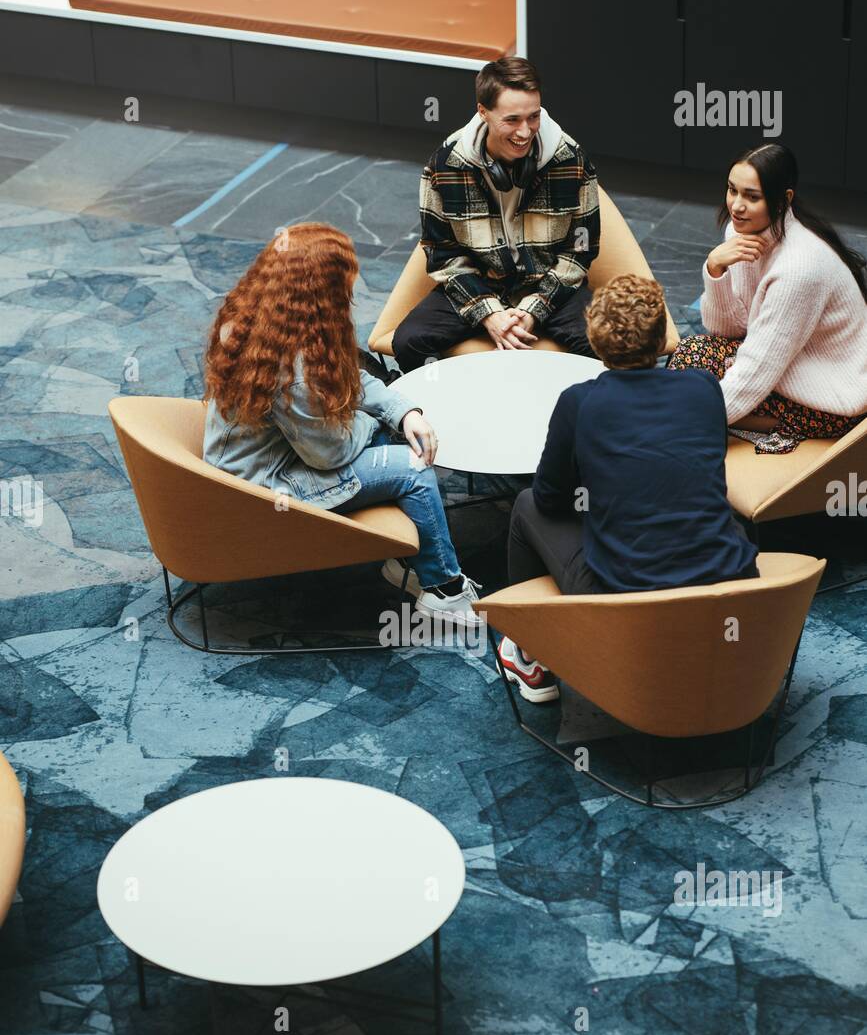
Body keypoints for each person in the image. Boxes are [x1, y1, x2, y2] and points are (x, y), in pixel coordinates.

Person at [202, 222, 480, 628]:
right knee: (414, 469)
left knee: (396, 430)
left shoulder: (268, 315)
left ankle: (405, 559)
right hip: (265, 484)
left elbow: (348, 374)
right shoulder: (292, 368)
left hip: (280, 454)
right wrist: (369, 420)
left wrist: (403, 411)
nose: (353, 286)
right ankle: (444, 589)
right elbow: (329, 454)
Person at [498, 275, 759, 702]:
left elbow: (550, 498)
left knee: (525, 503)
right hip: (727, 580)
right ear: (660, 341)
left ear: (596, 343)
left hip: (623, 598)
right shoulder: (703, 387)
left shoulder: (578, 402)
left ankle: (529, 652)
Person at [392, 56, 600, 372]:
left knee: (602, 343)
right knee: (410, 342)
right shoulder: (444, 165)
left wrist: (534, 309)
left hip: (549, 284)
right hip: (480, 285)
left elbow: (580, 252)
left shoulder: (571, 160)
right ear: (483, 112)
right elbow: (443, 255)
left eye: (534, 117)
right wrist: (488, 313)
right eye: (512, 120)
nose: (525, 131)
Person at [668, 143, 867, 441]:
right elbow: (727, 330)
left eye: (752, 196)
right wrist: (715, 269)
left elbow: (756, 371)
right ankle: (727, 419)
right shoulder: (740, 235)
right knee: (690, 356)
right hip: (786, 362)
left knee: (686, 395)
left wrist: (684, 420)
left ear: (783, 199)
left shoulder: (798, 268)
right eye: (732, 190)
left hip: (833, 396)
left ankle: (757, 425)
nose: (736, 206)